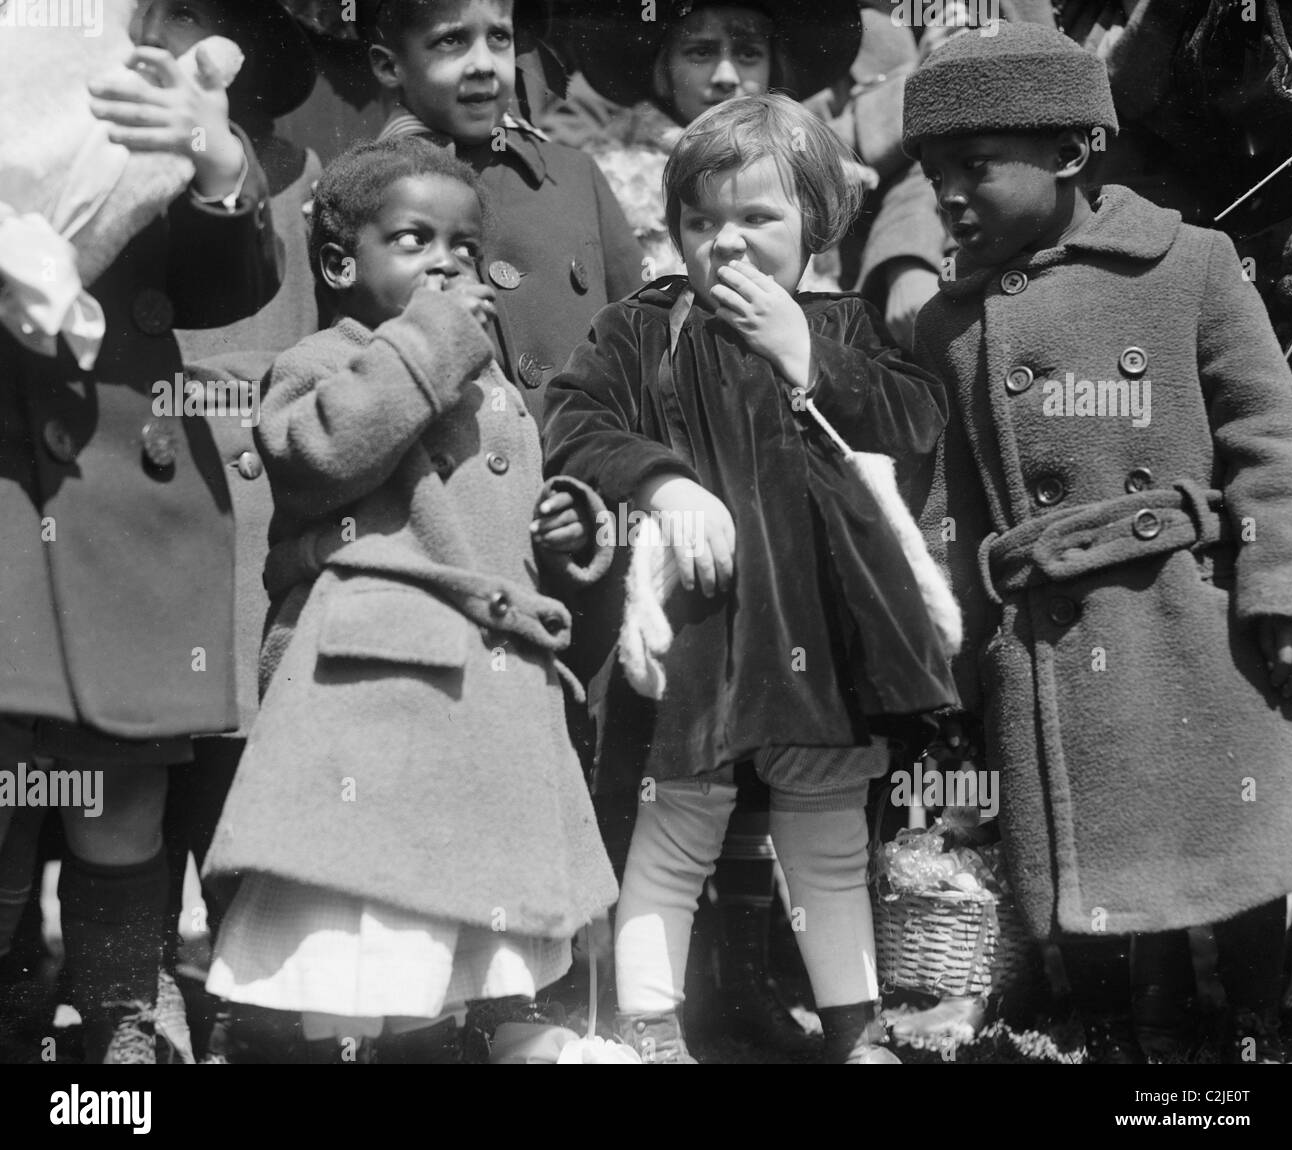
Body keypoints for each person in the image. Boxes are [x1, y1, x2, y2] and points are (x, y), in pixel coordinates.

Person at [908, 22, 1292, 1064]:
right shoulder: (947, 327)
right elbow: (949, 509)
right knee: (1095, 862)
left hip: (1195, 617)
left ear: (1073, 153)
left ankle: (1255, 1021)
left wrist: (1278, 588)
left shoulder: (1192, 266)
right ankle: (1131, 1031)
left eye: (974, 166)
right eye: (933, 171)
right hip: (1044, 634)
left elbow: (1269, 439)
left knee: (1227, 834)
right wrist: (949, 653)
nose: (947, 194)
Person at [544, 93, 958, 1063]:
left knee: (824, 835)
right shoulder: (647, 327)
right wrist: (667, 481)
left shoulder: (848, 325)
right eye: (701, 221)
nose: (724, 243)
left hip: (814, 628)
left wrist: (804, 354)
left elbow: (916, 421)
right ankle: (651, 1028)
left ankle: (856, 1029)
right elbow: (575, 417)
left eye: (756, 218)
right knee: (677, 824)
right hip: (696, 632)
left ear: (816, 220)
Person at [201, 136, 618, 1063]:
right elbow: (326, 454)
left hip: (470, 689)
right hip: (369, 688)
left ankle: (427, 1041)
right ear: (343, 265)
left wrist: (566, 532)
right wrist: (433, 336)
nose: (446, 262)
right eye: (414, 239)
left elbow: (495, 520)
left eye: (463, 248)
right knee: (351, 909)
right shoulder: (320, 362)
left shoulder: (490, 383)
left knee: (440, 918)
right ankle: (310, 1046)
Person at [0, 9, 280, 1062]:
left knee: (123, 772)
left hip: (125, 477)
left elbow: (229, 278)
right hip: (10, 490)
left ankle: (122, 1006)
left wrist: (206, 144)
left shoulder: (130, 91)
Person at [358, 0, 644, 426]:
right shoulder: (365, 195)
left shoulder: (573, 174)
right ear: (388, 67)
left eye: (499, 38)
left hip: (591, 463)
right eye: (451, 40)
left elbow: (640, 337)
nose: (483, 65)